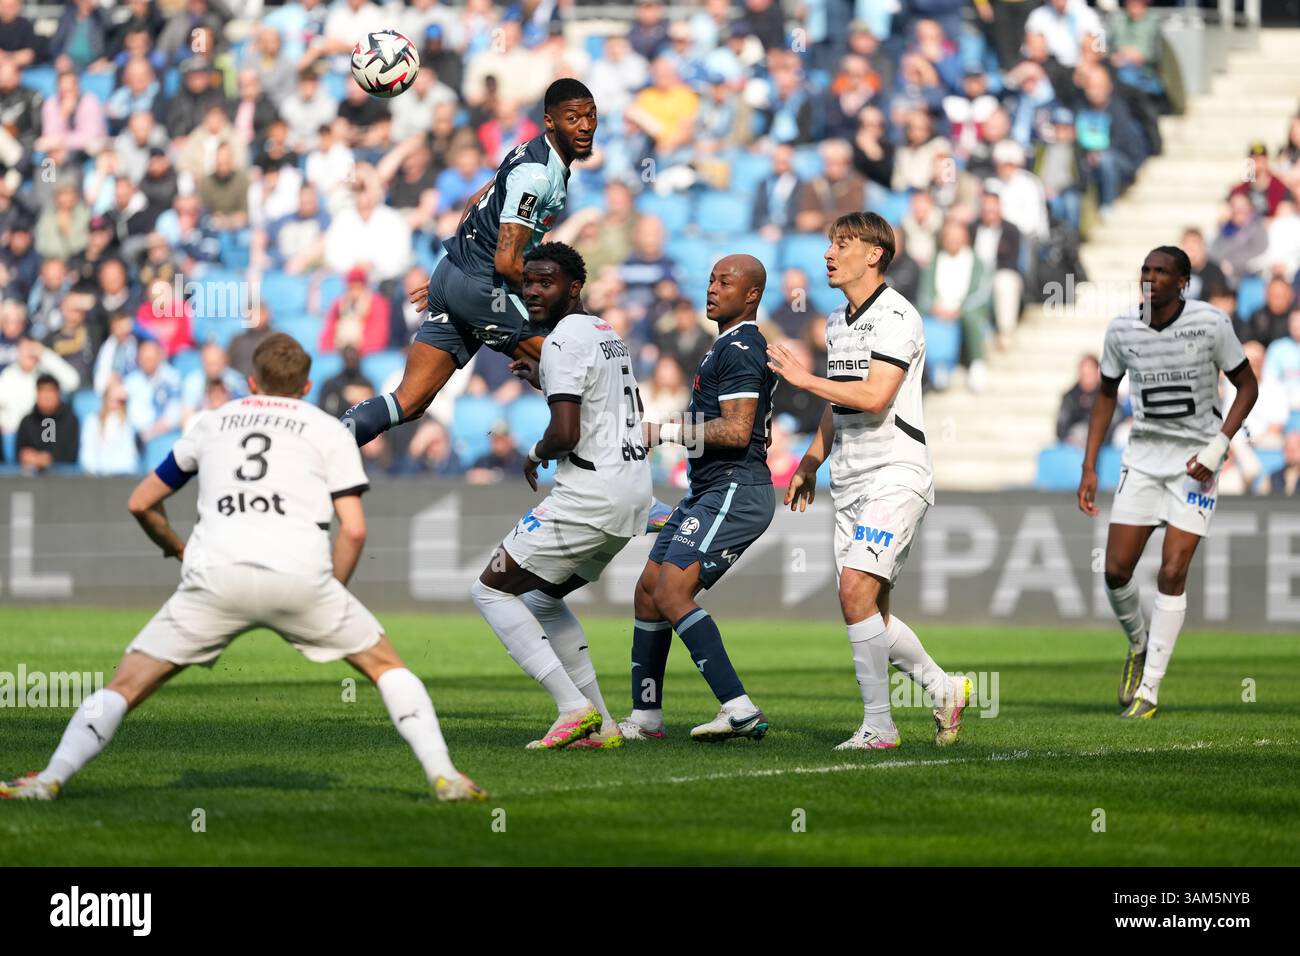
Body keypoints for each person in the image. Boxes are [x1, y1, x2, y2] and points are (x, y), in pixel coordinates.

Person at [0, 334, 485, 802]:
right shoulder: (326, 431)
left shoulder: (213, 422)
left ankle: (50, 778)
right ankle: (446, 778)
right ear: (306, 386)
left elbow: (141, 501)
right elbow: (354, 530)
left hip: (215, 576)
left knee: (125, 686)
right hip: (300, 576)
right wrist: (329, 590)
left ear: (251, 382)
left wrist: (178, 549)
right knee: (387, 669)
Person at [768, 211, 971, 750]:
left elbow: (877, 396)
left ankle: (880, 727)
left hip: (896, 470)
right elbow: (840, 402)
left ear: (874, 253)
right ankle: (944, 689)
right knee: (869, 609)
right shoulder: (838, 322)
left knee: (853, 590)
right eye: (830, 243)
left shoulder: (899, 317)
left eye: (843, 243)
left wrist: (803, 377)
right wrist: (811, 461)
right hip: (850, 476)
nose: (829, 253)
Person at [341, 79, 596, 448]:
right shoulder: (537, 175)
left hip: (454, 274)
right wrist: (564, 308)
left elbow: (477, 198)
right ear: (550, 122)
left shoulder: (528, 151)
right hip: (484, 287)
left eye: (591, 116)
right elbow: (508, 263)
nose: (585, 126)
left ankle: (326, 446)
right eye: (573, 118)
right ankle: (595, 483)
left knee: (408, 402)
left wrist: (456, 272)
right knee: (581, 362)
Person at [471, 243, 652, 750]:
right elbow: (597, 402)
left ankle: (574, 709)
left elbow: (566, 433)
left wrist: (533, 452)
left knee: (489, 590)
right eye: (528, 281)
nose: (532, 290)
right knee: (540, 596)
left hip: (589, 494)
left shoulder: (561, 341)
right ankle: (604, 726)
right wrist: (542, 381)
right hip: (630, 491)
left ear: (574, 287)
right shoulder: (603, 331)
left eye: (545, 281)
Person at [1077, 247, 1258, 719]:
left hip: (1197, 463)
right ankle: (1138, 644)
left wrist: (1218, 448)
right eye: (1146, 270)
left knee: (1172, 572)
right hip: (1143, 459)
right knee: (1116, 570)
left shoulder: (1211, 324)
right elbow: (1104, 395)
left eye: (1161, 272)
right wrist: (1090, 464)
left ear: (1183, 282)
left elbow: (1248, 386)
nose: (1150, 278)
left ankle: (1150, 692)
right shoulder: (1122, 329)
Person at [623, 254, 777, 743]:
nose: (712, 288)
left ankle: (739, 708)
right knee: (648, 593)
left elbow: (736, 431)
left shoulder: (742, 347)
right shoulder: (722, 346)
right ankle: (646, 718)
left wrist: (664, 430)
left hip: (736, 486)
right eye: (710, 279)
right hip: (708, 488)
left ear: (751, 294)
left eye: (725, 282)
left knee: (671, 593)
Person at [15, 373, 79, 472]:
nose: (46, 396)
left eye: (50, 391)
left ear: (58, 394)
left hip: (63, 479)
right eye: (42, 391)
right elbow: (20, 454)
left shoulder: (70, 420)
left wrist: (48, 460)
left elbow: (71, 455)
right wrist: (29, 458)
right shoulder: (27, 422)